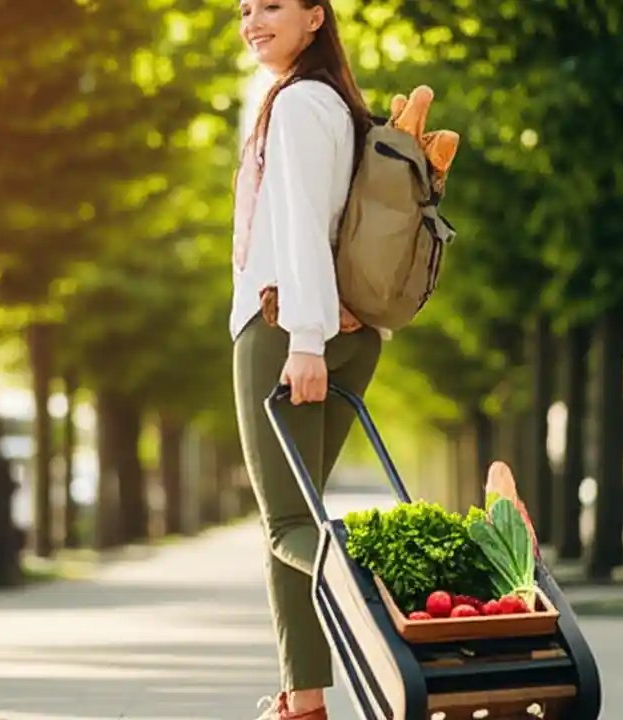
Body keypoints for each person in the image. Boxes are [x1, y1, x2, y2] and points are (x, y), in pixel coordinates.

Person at [230, 1, 382, 718]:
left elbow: (295, 226)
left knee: (290, 529)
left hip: (286, 329)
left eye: (272, 6)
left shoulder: (295, 107)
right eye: (245, 8)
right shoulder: (347, 111)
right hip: (349, 332)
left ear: (316, 16)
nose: (253, 21)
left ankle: (424, 585)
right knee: (293, 521)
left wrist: (305, 340)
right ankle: (305, 703)